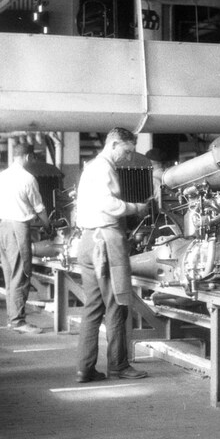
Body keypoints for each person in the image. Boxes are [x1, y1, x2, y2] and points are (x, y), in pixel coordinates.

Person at [74, 127, 150, 382]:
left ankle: (85, 368)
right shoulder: (104, 167)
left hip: (87, 240)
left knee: (93, 307)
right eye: (127, 151)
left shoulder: (90, 167)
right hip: (105, 241)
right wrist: (136, 207)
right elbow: (108, 204)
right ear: (115, 144)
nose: (128, 158)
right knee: (117, 305)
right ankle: (118, 365)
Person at [0, 143, 50, 333]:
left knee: (9, 275)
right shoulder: (28, 178)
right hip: (18, 228)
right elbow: (39, 208)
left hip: (2, 228)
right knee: (20, 274)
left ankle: (12, 318)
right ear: (29, 157)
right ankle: (18, 321)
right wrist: (48, 226)